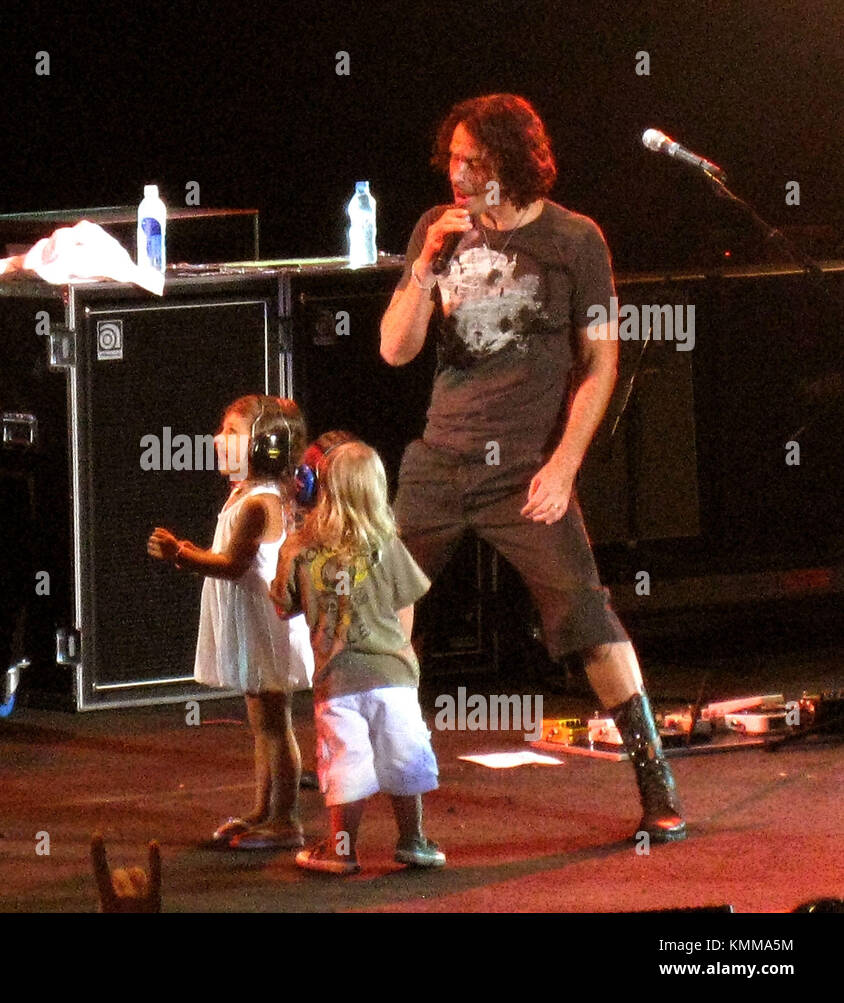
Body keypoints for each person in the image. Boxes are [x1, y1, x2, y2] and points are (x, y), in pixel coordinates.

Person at [380, 93, 685, 843]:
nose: (457, 175)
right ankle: (375, 767)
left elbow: (600, 361)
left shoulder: (574, 239)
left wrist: (564, 464)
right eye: (451, 159)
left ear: (512, 164)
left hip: (524, 469)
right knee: (380, 606)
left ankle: (656, 781)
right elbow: (394, 348)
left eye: (474, 162)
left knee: (586, 614)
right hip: (439, 458)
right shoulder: (436, 230)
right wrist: (422, 268)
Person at [148, 395, 314, 850]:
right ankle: (264, 809)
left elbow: (231, 564)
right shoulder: (244, 494)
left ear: (262, 445)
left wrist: (179, 552)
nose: (218, 440)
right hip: (251, 618)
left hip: (266, 622)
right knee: (263, 724)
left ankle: (285, 818)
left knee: (275, 725)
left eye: (233, 433)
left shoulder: (259, 503)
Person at [272, 438, 443, 874]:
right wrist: (403, 657)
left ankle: (341, 850)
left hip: (338, 682)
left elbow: (282, 606)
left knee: (345, 765)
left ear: (314, 488)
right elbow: (406, 606)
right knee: (405, 757)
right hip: (395, 678)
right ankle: (414, 841)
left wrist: (292, 538)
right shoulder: (388, 545)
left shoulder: (301, 549)